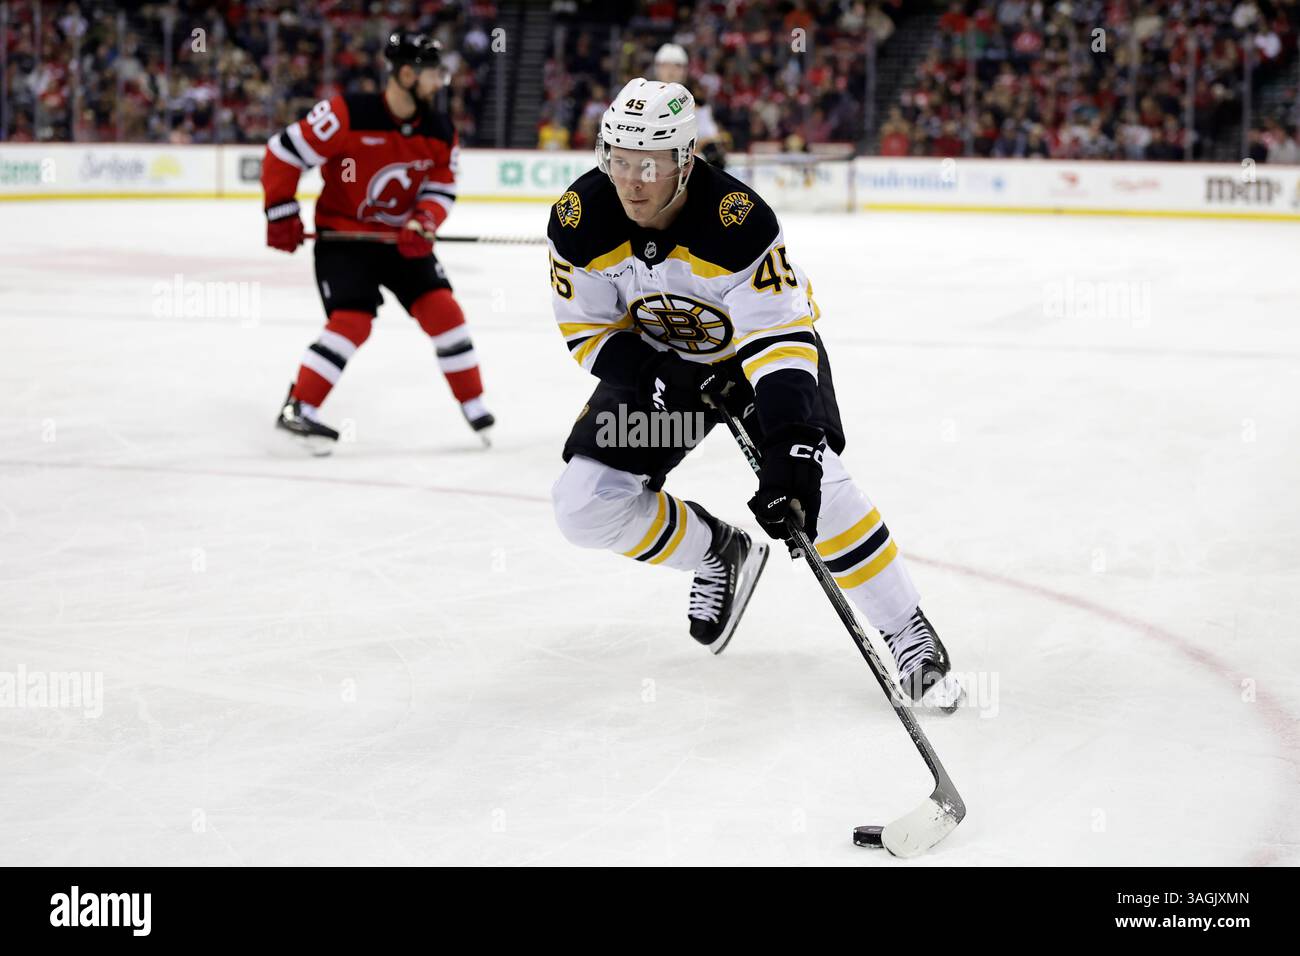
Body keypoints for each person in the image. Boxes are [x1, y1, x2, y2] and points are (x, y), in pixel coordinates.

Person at [545, 78, 962, 707]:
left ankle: (906, 629)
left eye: (649, 164)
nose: (631, 181)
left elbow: (780, 339)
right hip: (664, 372)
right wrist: (661, 376)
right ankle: (718, 551)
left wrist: (792, 449)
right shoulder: (580, 220)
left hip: (754, 364)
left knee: (818, 484)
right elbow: (588, 332)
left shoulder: (736, 221)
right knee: (583, 503)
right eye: (618, 161)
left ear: (685, 161)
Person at [262, 31, 494, 453]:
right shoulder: (346, 114)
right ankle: (299, 408)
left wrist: (424, 220)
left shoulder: (441, 130)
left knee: (444, 312)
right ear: (406, 74)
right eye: (432, 74)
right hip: (344, 240)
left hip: (403, 241)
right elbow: (284, 152)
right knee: (352, 320)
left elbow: (442, 185)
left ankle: (473, 402)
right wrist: (280, 210)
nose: (440, 83)